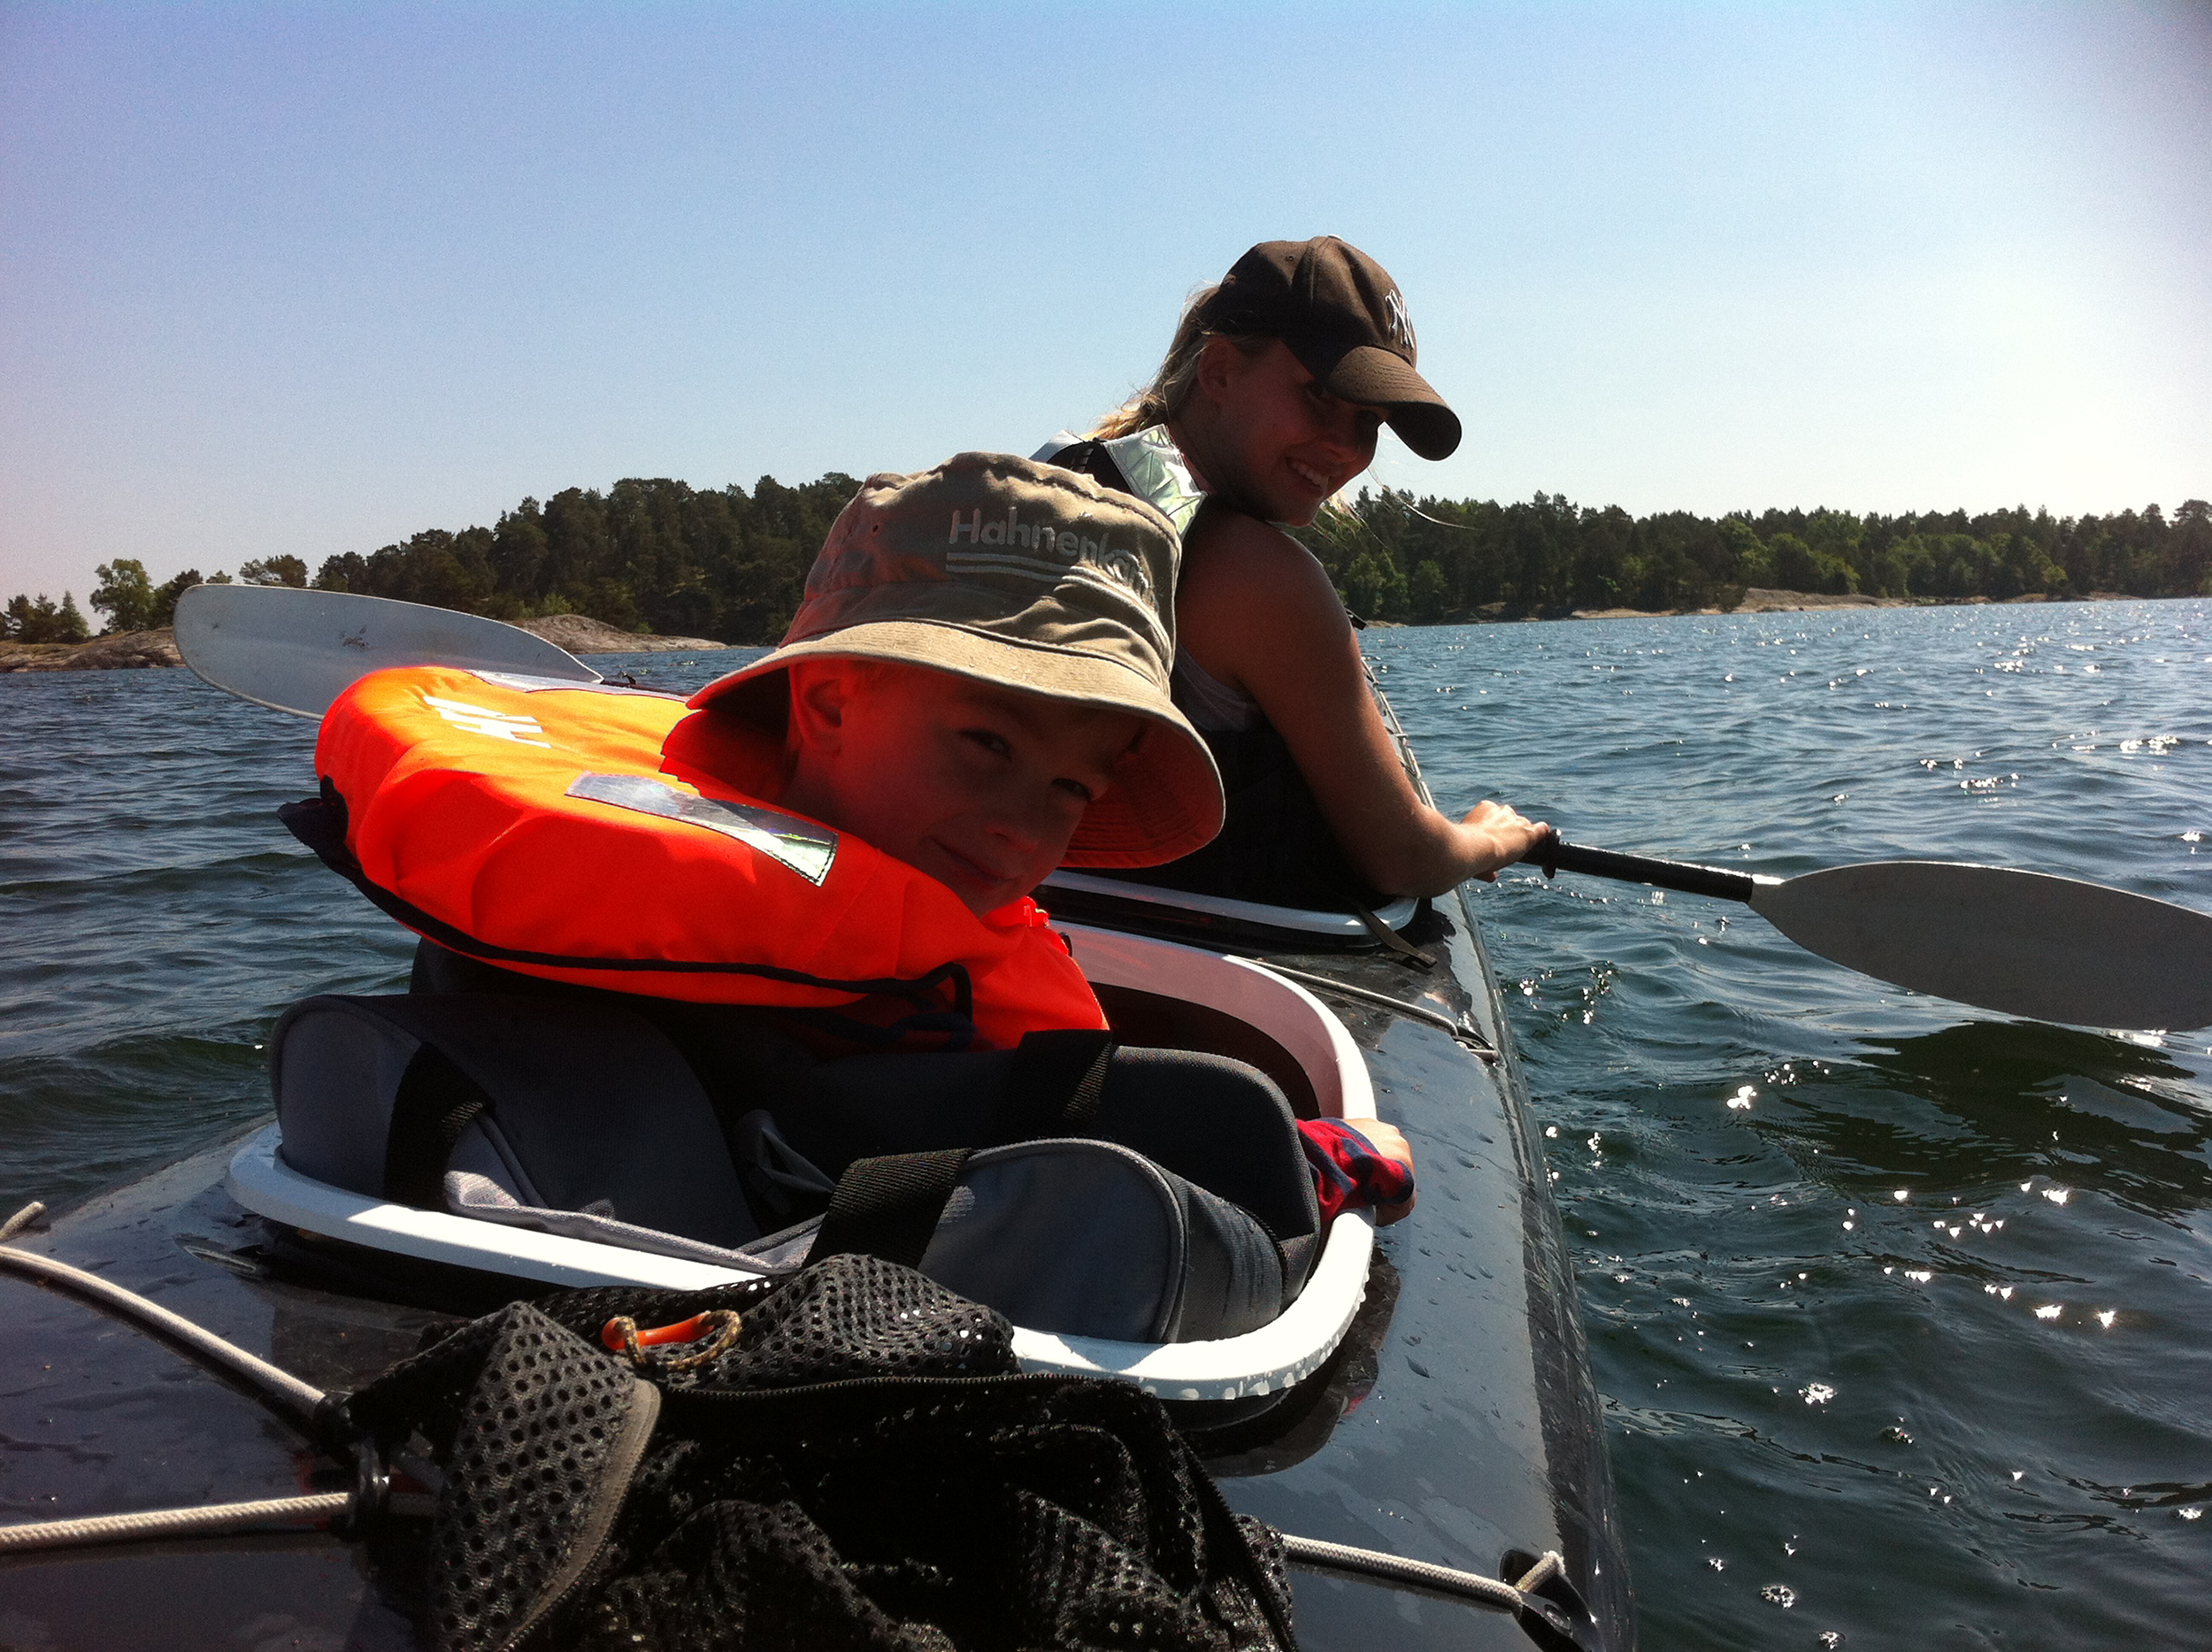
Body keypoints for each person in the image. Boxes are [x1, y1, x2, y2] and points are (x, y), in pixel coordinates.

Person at [311, 451, 1412, 1220]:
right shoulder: (908, 1019)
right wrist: (1300, 1157)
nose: (1027, 825)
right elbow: (1199, 1143)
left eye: (1074, 787)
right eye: (987, 743)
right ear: (829, 705)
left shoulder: (698, 878)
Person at [1044, 236, 1548, 909]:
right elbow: (1403, 859)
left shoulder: (1058, 473)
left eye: (1368, 420)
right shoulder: (1268, 580)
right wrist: (1494, 838)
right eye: (1318, 394)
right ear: (1219, 371)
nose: (1346, 447)